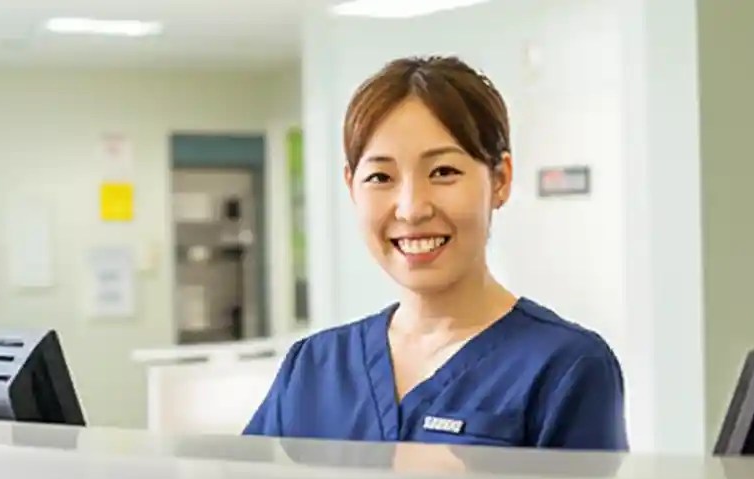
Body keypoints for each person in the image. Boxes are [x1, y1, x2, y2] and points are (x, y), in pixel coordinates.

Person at [244, 56, 628, 450]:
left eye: (443, 172)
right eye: (380, 177)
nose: (412, 208)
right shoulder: (314, 367)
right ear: (351, 186)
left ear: (500, 179)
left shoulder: (565, 367)